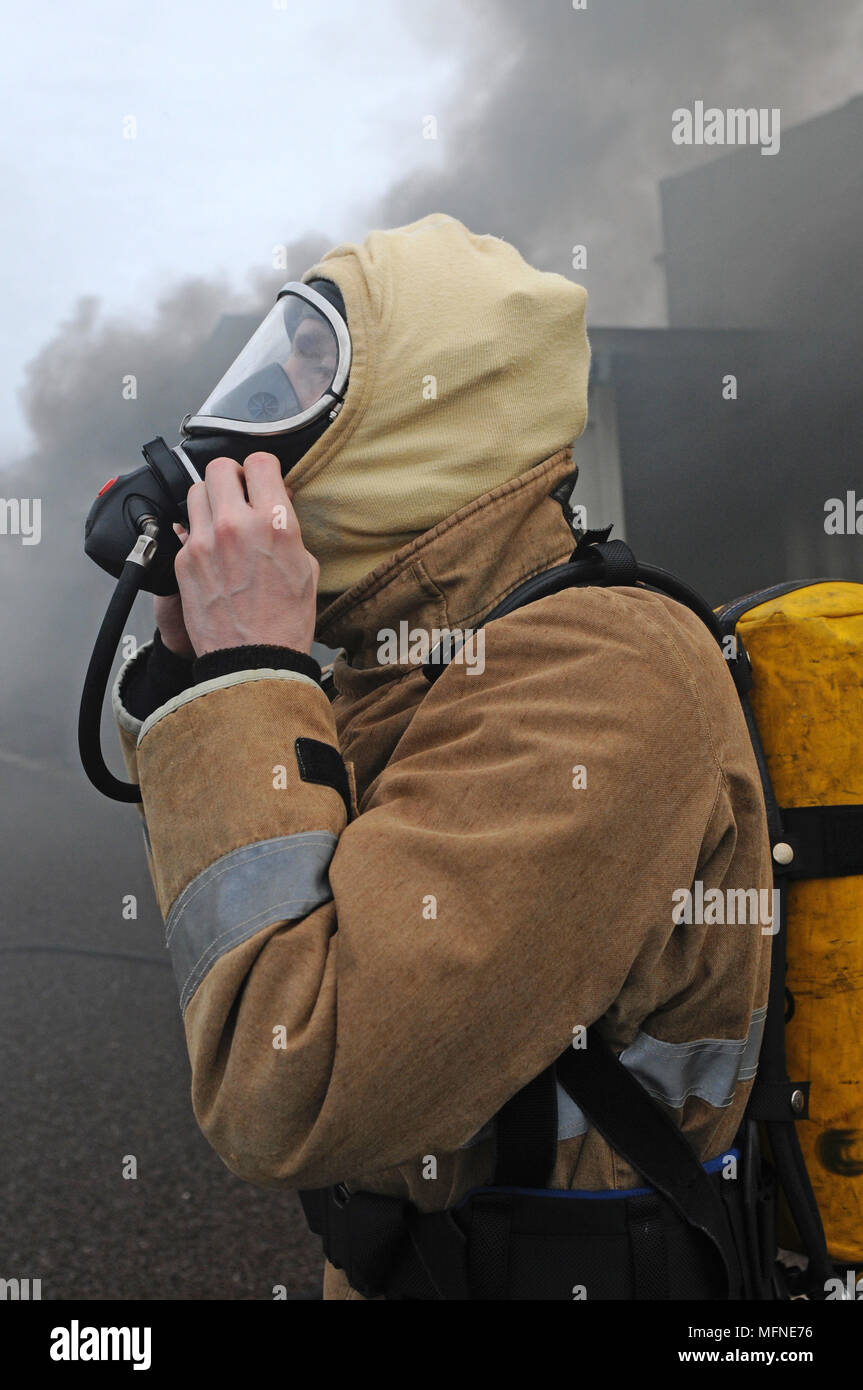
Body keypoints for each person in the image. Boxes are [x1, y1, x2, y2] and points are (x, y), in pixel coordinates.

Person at [113, 213, 772, 1300]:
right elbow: (259, 914)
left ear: (426, 415)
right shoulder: (398, 668)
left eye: (303, 383)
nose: (245, 437)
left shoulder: (599, 672)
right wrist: (207, 683)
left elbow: (290, 1075)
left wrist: (252, 677)